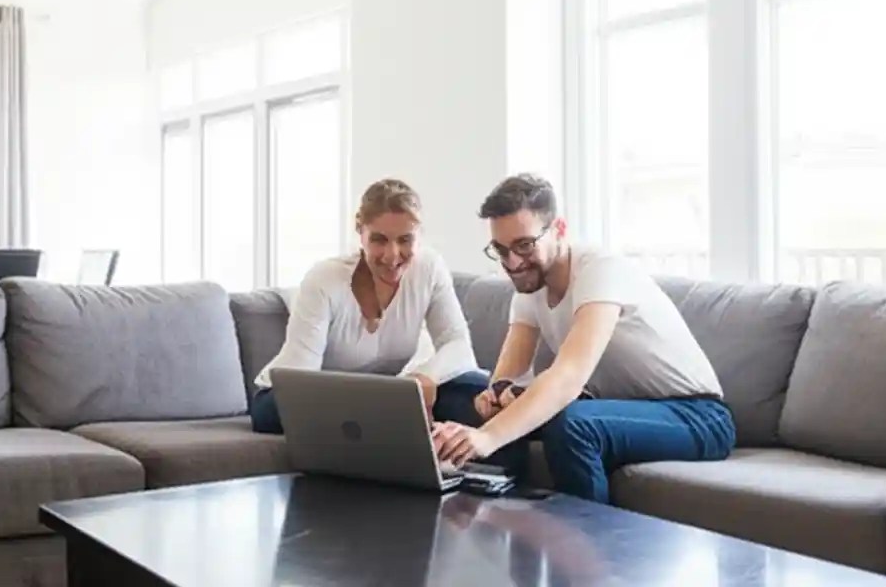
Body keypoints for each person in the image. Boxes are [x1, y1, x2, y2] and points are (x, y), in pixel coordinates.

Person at [432, 174, 735, 503]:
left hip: (697, 416)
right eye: (501, 250)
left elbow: (569, 377)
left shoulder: (600, 271)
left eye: (524, 245)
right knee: (455, 396)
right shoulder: (529, 288)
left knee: (571, 424)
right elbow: (506, 376)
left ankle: (587, 550)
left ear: (559, 230)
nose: (513, 263)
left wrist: (488, 437)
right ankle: (502, 528)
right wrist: (493, 397)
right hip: (615, 410)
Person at [251, 178, 487, 434]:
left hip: (384, 395)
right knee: (364, 407)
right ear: (360, 232)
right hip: (290, 397)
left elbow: (458, 345)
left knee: (478, 391)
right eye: (379, 240)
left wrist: (425, 377)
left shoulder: (429, 268)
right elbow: (302, 381)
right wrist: (382, 400)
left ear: (419, 236)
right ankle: (391, 421)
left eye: (405, 240)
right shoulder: (324, 280)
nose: (392, 255)